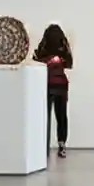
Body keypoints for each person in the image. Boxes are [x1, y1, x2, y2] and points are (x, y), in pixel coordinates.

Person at [33, 23, 73, 158]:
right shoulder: (63, 49)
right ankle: (62, 145)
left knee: (46, 117)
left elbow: (36, 60)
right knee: (61, 117)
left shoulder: (43, 48)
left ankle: (43, 146)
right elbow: (70, 64)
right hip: (61, 86)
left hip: (47, 85)